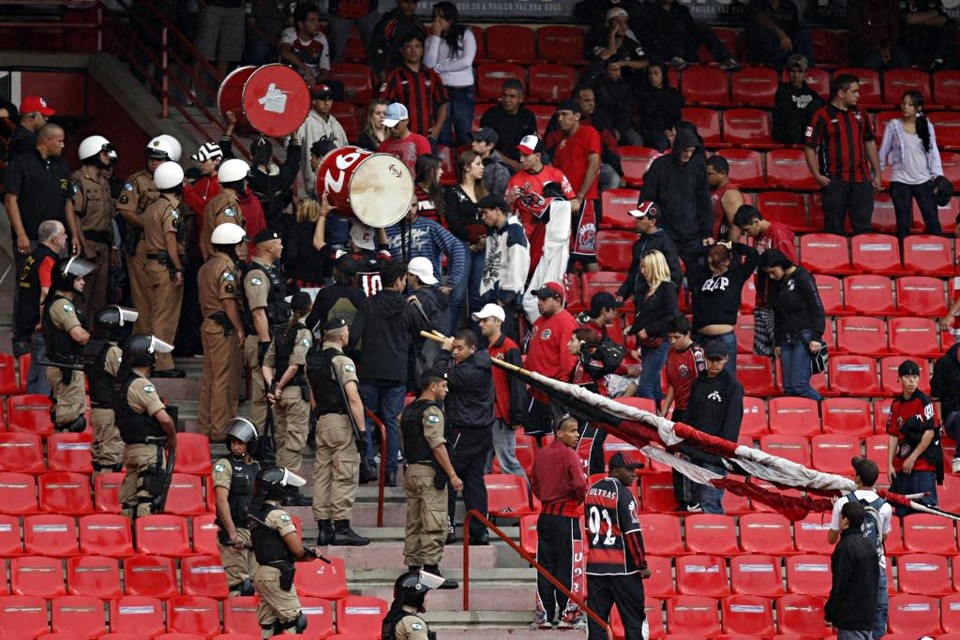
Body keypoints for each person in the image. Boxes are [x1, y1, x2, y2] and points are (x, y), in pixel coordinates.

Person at [353, 260, 431, 485]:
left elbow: (354, 335)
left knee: (367, 420)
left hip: (370, 370)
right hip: (397, 373)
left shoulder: (368, 305)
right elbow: (422, 333)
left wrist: (362, 357)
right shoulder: (407, 306)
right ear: (398, 281)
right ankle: (389, 472)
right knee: (392, 423)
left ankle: (367, 466)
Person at [5, 124, 79, 323]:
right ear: (47, 141)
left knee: (60, 285)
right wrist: (20, 234)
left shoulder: (62, 166)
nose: (63, 145)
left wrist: (74, 236)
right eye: (60, 141)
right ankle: (21, 336)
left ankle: (53, 329)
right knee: (28, 285)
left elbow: (68, 202)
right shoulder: (21, 163)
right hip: (31, 238)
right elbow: (10, 199)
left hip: (58, 241)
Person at [308, 316, 370, 547]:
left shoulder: (312, 360)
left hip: (322, 421)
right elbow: (353, 398)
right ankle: (341, 526)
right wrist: (362, 432)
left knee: (322, 475)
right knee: (345, 472)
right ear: (342, 336)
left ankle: (324, 527)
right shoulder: (342, 361)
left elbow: (312, 395)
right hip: (341, 422)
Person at [399, 367, 462, 583]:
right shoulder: (432, 412)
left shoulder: (407, 410)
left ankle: (413, 571)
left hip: (411, 470)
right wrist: (452, 474)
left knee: (414, 522)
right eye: (443, 386)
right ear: (432, 386)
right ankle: (431, 572)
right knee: (434, 522)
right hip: (428, 471)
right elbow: (437, 445)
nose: (446, 390)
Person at [435, 330, 494, 547]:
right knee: (474, 481)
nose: (456, 352)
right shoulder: (483, 364)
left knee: (450, 478)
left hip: (463, 430)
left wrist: (444, 351)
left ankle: (448, 527)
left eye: (460, 348)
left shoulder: (468, 372)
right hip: (482, 431)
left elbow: (438, 375)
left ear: (472, 349)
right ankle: (479, 531)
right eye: (454, 347)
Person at [805, 74, 882, 236]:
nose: (858, 95)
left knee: (864, 229)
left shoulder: (862, 113)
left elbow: (870, 142)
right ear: (841, 93)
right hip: (835, 180)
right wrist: (817, 175)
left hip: (862, 180)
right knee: (833, 229)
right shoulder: (821, 115)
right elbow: (810, 147)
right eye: (854, 92)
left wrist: (877, 173)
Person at [530, 415, 587, 630]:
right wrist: (577, 500)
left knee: (545, 567)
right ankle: (568, 615)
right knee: (568, 567)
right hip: (566, 517)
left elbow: (534, 484)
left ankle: (544, 615)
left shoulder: (542, 454)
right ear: (559, 432)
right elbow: (581, 485)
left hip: (545, 516)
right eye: (572, 431)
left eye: (577, 430)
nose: (576, 435)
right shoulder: (569, 455)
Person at [584, 451, 650, 640]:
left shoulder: (591, 491)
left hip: (596, 569)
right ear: (614, 471)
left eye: (635, 469)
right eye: (629, 470)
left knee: (596, 623)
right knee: (634, 623)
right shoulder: (624, 494)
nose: (634, 474)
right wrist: (642, 565)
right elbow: (632, 534)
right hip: (623, 570)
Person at [117, 136, 177, 335]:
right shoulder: (137, 181)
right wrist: (151, 228)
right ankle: (143, 344)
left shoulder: (176, 179)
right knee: (143, 297)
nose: (154, 162)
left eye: (159, 159)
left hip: (168, 245)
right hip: (142, 244)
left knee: (166, 300)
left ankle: (160, 345)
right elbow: (126, 210)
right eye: (151, 158)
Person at [114, 333, 178, 521]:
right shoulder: (141, 385)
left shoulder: (121, 384)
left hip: (131, 450)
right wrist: (172, 436)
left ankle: (131, 541)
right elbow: (164, 419)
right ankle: (145, 543)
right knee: (148, 501)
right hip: (148, 451)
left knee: (129, 503)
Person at [827, 457, 892, 639]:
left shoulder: (842, 504)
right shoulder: (885, 506)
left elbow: (831, 539)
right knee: (877, 616)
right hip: (877, 566)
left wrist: (837, 515)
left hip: (853, 566)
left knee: (854, 617)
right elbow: (883, 537)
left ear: (857, 479)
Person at [249, 467, 315, 637]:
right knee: (295, 621)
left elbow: (273, 547)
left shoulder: (258, 515)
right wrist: (307, 555)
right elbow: (296, 549)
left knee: (269, 624)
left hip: (261, 573)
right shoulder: (279, 515)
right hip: (276, 575)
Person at [197, 223, 247, 441]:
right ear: (232, 245)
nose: (244, 247)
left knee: (209, 378)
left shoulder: (207, 266)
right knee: (222, 379)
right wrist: (239, 329)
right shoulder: (226, 268)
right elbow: (228, 302)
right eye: (241, 243)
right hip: (222, 328)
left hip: (209, 324)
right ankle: (219, 429)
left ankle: (206, 427)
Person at [505, 136, 579, 275]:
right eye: (520, 155)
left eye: (526, 155)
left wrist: (550, 203)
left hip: (552, 238)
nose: (521, 160)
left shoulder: (555, 174)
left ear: (538, 155)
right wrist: (509, 200)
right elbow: (506, 215)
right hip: (527, 240)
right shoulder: (516, 179)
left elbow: (575, 205)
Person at [685, 341, 744, 514]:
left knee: (710, 501)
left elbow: (733, 423)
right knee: (695, 505)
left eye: (718, 360)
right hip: (695, 450)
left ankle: (716, 540)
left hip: (716, 453)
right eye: (711, 359)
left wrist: (723, 450)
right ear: (704, 358)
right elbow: (690, 415)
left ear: (726, 359)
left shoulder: (732, 386)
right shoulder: (698, 383)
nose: (714, 364)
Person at [139, 161, 186, 378]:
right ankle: (162, 363)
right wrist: (178, 267)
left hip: (151, 264)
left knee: (154, 312)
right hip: (164, 265)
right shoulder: (170, 210)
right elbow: (170, 240)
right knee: (164, 315)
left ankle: (156, 359)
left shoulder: (152, 206)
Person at [879, 90, 945, 239]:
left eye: (910, 104)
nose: (906, 107)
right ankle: (903, 258)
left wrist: (938, 176)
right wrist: (876, 176)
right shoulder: (893, 125)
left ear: (919, 108)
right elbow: (882, 154)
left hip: (923, 179)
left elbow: (933, 152)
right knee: (903, 225)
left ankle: (936, 257)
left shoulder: (927, 124)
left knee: (933, 223)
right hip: (900, 180)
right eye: (903, 104)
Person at [243, 229, 292, 433]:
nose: (282, 248)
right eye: (279, 244)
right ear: (270, 247)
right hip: (263, 338)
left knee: (272, 393)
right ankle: (258, 445)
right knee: (263, 396)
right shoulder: (257, 274)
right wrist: (265, 345)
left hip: (274, 338)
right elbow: (258, 313)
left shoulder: (271, 270)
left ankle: (269, 441)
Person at [761, 249, 826, 401]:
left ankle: (824, 410)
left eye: (772, 271)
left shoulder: (802, 276)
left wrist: (817, 336)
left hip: (805, 335)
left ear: (780, 264)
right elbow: (778, 315)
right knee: (789, 387)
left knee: (800, 385)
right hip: (785, 338)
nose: (771, 276)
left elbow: (817, 307)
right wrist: (777, 342)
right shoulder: (776, 283)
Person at [687, 241, 759, 377]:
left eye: (716, 264)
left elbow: (754, 255)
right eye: (710, 264)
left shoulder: (736, 275)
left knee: (727, 377)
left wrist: (731, 245)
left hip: (724, 337)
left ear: (727, 262)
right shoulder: (702, 275)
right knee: (699, 376)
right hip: (701, 335)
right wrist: (713, 248)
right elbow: (688, 254)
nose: (713, 268)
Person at [263, 292, 314, 482]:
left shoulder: (280, 331)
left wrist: (273, 387)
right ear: (309, 308)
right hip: (294, 393)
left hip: (280, 395)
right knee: (294, 442)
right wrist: (279, 386)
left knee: (282, 440)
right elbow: (295, 365)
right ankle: (289, 486)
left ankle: (279, 482)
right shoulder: (304, 332)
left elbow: (266, 364)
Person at [641, 128, 712, 262]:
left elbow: (704, 201)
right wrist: (650, 226)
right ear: (678, 147)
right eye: (685, 150)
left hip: (692, 234)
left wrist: (707, 232)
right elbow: (647, 199)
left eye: (691, 151)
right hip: (665, 232)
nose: (688, 154)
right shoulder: (660, 165)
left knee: (695, 276)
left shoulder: (698, 166)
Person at [734, 205, 797, 356]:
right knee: (761, 352)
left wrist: (782, 300)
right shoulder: (759, 237)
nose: (746, 234)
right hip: (763, 301)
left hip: (776, 303)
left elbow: (790, 267)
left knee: (781, 350)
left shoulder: (777, 233)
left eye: (747, 230)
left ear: (756, 221)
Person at [475, 303, 528, 479]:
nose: (480, 324)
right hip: (488, 415)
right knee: (484, 463)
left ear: (498, 321)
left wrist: (516, 415)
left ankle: (528, 500)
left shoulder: (509, 348)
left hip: (500, 416)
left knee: (507, 462)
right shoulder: (486, 349)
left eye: (485, 320)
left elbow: (517, 384)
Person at [13, 220, 67, 394]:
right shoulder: (47, 259)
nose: (66, 237)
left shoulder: (33, 256)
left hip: (27, 320)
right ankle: (39, 412)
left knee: (35, 372)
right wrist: (45, 322)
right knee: (44, 373)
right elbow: (46, 292)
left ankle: (31, 408)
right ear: (55, 239)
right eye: (63, 234)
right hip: (39, 325)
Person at [83, 306, 138, 474]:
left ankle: (98, 490)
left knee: (100, 460)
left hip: (97, 411)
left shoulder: (92, 347)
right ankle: (105, 498)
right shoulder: (112, 351)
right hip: (108, 411)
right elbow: (126, 376)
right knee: (110, 460)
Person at [43, 257, 94, 433]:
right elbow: (79, 336)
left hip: (66, 366)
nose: (83, 282)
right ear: (66, 279)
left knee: (69, 417)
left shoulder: (61, 303)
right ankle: (64, 456)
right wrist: (99, 344)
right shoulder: (62, 305)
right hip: (66, 367)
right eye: (79, 278)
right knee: (71, 420)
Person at [887, 359, 943, 516]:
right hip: (902, 465)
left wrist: (913, 457)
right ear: (899, 379)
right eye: (907, 376)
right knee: (901, 511)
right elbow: (893, 435)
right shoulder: (896, 404)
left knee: (925, 511)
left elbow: (930, 433)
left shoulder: (925, 402)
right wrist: (889, 464)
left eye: (915, 377)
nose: (912, 380)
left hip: (923, 464)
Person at [552, 99, 602, 273]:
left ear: (577, 116)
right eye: (559, 115)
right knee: (568, 255)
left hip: (586, 201)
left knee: (587, 256)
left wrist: (580, 195)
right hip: (567, 203)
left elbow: (594, 164)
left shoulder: (589, 132)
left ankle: (601, 295)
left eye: (565, 114)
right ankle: (572, 297)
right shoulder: (561, 142)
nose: (560, 119)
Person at [70, 135, 117, 320]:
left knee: (100, 296)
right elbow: (75, 215)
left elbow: (109, 218)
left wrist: (113, 247)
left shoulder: (104, 182)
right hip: (88, 242)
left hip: (104, 245)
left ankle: (93, 339)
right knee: (83, 293)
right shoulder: (78, 180)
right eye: (104, 153)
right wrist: (84, 245)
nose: (107, 157)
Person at [524, 283, 579, 437]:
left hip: (554, 389)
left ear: (557, 300)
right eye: (538, 298)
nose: (539, 302)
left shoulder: (565, 321)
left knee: (558, 434)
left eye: (544, 299)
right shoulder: (539, 322)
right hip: (537, 388)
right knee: (537, 434)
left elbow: (569, 357)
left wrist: (561, 386)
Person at [213, 417, 261, 597]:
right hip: (235, 530)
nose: (235, 447)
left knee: (255, 587)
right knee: (241, 587)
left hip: (254, 532)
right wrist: (232, 533)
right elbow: (221, 500)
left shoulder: (256, 467)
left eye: (240, 443)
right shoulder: (223, 465)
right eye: (233, 442)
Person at [625, 250, 679, 404]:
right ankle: (661, 417)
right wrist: (634, 329)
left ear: (655, 267)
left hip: (659, 342)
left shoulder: (667, 288)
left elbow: (672, 316)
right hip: (648, 344)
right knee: (654, 387)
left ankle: (651, 423)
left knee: (645, 387)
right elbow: (644, 316)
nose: (642, 271)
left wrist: (648, 330)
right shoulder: (647, 289)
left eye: (645, 268)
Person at [444, 149, 487, 333]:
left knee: (477, 296)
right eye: (478, 163)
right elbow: (452, 221)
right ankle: (449, 337)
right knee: (458, 295)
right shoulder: (452, 191)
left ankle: (473, 340)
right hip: (462, 244)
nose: (482, 167)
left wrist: (483, 240)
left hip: (483, 245)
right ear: (467, 167)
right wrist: (473, 239)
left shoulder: (483, 191)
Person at [477, 193, 530, 344]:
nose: (483, 218)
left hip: (504, 302)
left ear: (498, 211)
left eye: (485, 213)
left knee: (501, 347)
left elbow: (518, 266)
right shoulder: (494, 231)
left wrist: (504, 298)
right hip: (493, 298)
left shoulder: (514, 231)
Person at [384, 196, 465, 294]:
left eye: (413, 205)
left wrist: (451, 282)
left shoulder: (430, 226)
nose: (410, 209)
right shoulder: (387, 230)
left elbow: (457, 248)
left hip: (428, 291)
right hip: (398, 292)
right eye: (406, 206)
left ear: (418, 206)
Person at [824, 501, 880, 640]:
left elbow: (840, 584)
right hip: (867, 618)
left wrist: (829, 612)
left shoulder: (844, 547)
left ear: (845, 520)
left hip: (850, 620)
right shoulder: (869, 544)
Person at [381, 32, 449, 143]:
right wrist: (393, 128)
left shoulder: (432, 76)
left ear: (422, 50)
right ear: (402, 51)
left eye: (417, 46)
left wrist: (437, 129)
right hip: (403, 137)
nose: (413, 50)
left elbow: (443, 104)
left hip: (428, 136)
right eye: (409, 47)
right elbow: (383, 104)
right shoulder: (395, 76)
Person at [423, 1, 475, 146]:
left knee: (464, 134)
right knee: (442, 136)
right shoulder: (432, 39)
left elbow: (466, 62)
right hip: (440, 91)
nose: (436, 21)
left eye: (440, 17)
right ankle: (445, 167)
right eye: (434, 17)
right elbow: (428, 64)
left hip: (462, 91)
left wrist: (440, 68)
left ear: (450, 18)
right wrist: (435, 38)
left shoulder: (466, 34)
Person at [639, 0, 740, 70]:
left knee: (702, 27)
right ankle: (676, 59)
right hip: (663, 52)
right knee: (675, 25)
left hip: (684, 51)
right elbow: (647, 37)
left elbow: (691, 31)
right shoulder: (649, 10)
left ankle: (726, 60)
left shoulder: (681, 10)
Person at [616, 202, 682, 307]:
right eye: (636, 218)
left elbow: (676, 276)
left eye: (641, 218)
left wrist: (664, 298)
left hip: (657, 304)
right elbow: (634, 272)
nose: (636, 221)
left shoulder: (666, 244)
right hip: (640, 302)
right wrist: (623, 293)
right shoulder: (638, 244)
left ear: (652, 221)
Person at [294, 83, 349, 196]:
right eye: (322, 99)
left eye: (329, 99)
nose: (327, 103)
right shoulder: (305, 122)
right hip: (311, 190)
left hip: (334, 187)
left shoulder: (336, 125)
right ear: (313, 101)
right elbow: (293, 152)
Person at [479, 79, 539, 173]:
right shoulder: (490, 115)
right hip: (496, 162)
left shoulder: (528, 116)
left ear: (520, 99)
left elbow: (532, 144)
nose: (507, 100)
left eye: (512, 96)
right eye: (504, 95)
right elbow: (486, 148)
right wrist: (513, 164)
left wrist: (524, 162)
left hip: (523, 161)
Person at [200, 158, 248, 261]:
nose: (246, 183)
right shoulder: (228, 204)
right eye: (245, 180)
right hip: (226, 262)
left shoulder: (217, 200)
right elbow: (227, 240)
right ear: (237, 181)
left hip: (217, 261)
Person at [586, 7, 649, 84]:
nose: (622, 26)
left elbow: (644, 62)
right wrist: (612, 35)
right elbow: (612, 57)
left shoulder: (631, 42)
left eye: (625, 22)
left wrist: (625, 63)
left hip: (626, 81)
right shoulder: (598, 40)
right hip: (603, 81)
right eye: (618, 22)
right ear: (609, 23)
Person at [772, 54, 825, 145]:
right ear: (788, 72)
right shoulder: (783, 92)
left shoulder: (812, 94)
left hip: (808, 136)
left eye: (800, 72)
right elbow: (785, 117)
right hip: (788, 138)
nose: (796, 75)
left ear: (805, 73)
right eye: (793, 71)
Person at [744, 0, 813, 70]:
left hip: (787, 44)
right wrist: (781, 34)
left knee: (804, 33)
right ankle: (781, 73)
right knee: (767, 39)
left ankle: (808, 71)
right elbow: (761, 18)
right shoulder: (756, 3)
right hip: (765, 46)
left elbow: (795, 29)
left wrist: (788, 39)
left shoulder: (790, 6)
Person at [370, 0, 428, 81]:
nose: (409, 6)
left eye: (413, 3)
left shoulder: (419, 25)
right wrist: (382, 74)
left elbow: (424, 52)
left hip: (415, 74)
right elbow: (376, 50)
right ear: (398, 1)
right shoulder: (386, 24)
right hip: (391, 73)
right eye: (406, 2)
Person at [381, 570, 448, 639]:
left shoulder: (392, 618)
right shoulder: (413, 622)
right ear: (416, 595)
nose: (427, 599)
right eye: (425, 595)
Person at [636, 61, 685, 152]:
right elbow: (649, 119)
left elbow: (676, 114)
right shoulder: (645, 95)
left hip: (672, 129)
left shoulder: (672, 93)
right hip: (652, 130)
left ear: (663, 75)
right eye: (650, 74)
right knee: (661, 142)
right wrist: (665, 131)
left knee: (690, 135)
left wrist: (674, 129)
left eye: (656, 73)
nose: (653, 77)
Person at [279, 4, 331, 88]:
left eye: (318, 20)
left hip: (312, 81)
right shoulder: (290, 33)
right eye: (312, 21)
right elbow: (284, 51)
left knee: (336, 87)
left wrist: (312, 82)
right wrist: (305, 68)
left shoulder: (321, 38)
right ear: (301, 24)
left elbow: (325, 72)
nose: (317, 24)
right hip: (290, 80)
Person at [194, 0, 244, 85]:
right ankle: (192, 88)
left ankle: (219, 91)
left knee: (226, 53)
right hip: (212, 5)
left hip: (235, 7)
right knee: (204, 51)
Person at [848, 0, 906, 71]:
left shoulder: (891, 3)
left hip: (887, 46)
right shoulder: (857, 3)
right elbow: (859, 31)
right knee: (874, 59)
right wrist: (878, 48)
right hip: (863, 46)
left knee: (901, 59)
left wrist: (888, 47)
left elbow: (894, 28)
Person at [900, 0, 957, 72]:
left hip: (930, 43)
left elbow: (943, 20)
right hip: (908, 44)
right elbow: (909, 19)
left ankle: (938, 61)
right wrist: (929, 15)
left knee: (950, 26)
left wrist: (919, 19)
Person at [931, 341, 960, 473]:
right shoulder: (944, 364)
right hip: (952, 417)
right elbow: (936, 396)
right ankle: (959, 458)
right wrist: (939, 421)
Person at [379, 103, 433, 172]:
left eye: (395, 125)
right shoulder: (384, 145)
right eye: (389, 126)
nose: (392, 128)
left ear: (406, 121)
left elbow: (426, 171)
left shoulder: (420, 141)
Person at [327, 0, 381, 64]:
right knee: (335, 50)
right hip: (339, 11)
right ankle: (329, 69)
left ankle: (378, 71)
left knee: (376, 49)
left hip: (368, 11)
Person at [706, 155, 744, 243]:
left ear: (722, 173)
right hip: (709, 246)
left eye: (710, 174)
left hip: (720, 250)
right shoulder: (711, 190)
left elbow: (736, 226)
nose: (706, 177)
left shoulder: (730, 194)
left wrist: (728, 250)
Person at [471, 127, 510, 197]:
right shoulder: (469, 161)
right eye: (473, 140)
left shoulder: (499, 170)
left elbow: (496, 200)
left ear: (490, 145)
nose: (473, 143)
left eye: (478, 141)